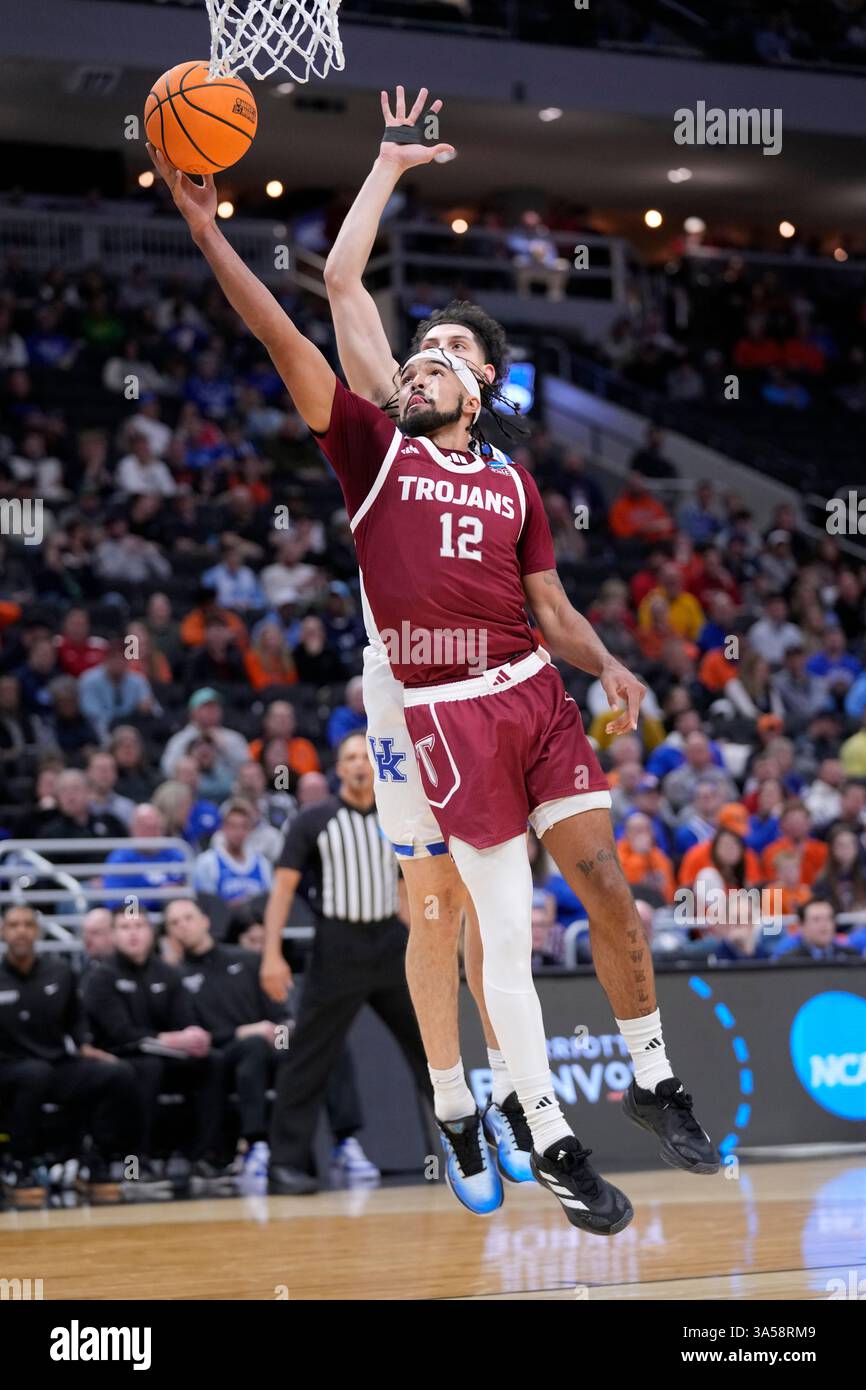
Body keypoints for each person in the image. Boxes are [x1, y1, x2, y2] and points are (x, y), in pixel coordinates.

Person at [151, 95, 718, 1235]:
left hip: (529, 690)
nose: (420, 358)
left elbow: (551, 605)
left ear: (483, 384)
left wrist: (610, 666)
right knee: (445, 917)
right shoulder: (375, 445)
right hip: (418, 694)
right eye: (416, 354)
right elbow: (309, 314)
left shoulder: (510, 482)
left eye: (445, 352)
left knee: (599, 882)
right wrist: (221, 227)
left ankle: (647, 1082)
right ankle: (475, 1109)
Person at [260, 733, 434, 1195]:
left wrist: (429, 942)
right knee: (309, 1057)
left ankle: (468, 1148)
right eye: (350, 757)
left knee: (433, 1048)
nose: (359, 764)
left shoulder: (395, 816)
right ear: (338, 769)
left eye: (366, 757)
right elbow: (282, 889)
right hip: (337, 946)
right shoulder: (312, 820)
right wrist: (271, 953)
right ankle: (284, 1164)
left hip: (391, 944)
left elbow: (406, 889)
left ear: (378, 766)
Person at [82, 909, 230, 1193]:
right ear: (113, 935)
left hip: (164, 1056)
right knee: (146, 1068)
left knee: (214, 1061)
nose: (133, 933)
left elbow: (186, 1021)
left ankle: (203, 1158)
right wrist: (175, 1039)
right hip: (118, 1058)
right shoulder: (101, 976)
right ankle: (136, 1164)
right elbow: (120, 1034)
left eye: (139, 926)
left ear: (152, 933)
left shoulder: (168, 973)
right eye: (125, 927)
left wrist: (194, 1036)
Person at [0, 905, 140, 1206]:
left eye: (28, 924)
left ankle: (97, 1159)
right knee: (33, 1074)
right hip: (9, 1069)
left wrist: (84, 1045)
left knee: (119, 1074)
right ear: (3, 931)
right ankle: (18, 1163)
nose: (21, 930)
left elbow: (76, 1020)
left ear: (37, 931)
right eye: (13, 925)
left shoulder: (60, 972)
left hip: (54, 1064)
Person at [164, 897, 289, 1186]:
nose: (183, 926)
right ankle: (255, 1145)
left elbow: (282, 1017)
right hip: (219, 1056)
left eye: (188, 917)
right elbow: (196, 1036)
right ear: (170, 934)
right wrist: (246, 1032)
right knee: (252, 1048)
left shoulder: (248, 959)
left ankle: (343, 1142)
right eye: (174, 923)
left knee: (319, 1049)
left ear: (205, 921)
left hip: (272, 1044)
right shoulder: (175, 978)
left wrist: (282, 1036)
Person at [194, 799, 274, 905]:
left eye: (244, 827)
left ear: (250, 830)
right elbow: (207, 905)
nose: (238, 832)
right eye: (233, 826)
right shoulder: (207, 862)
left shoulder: (263, 864)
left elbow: (270, 901)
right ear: (224, 828)